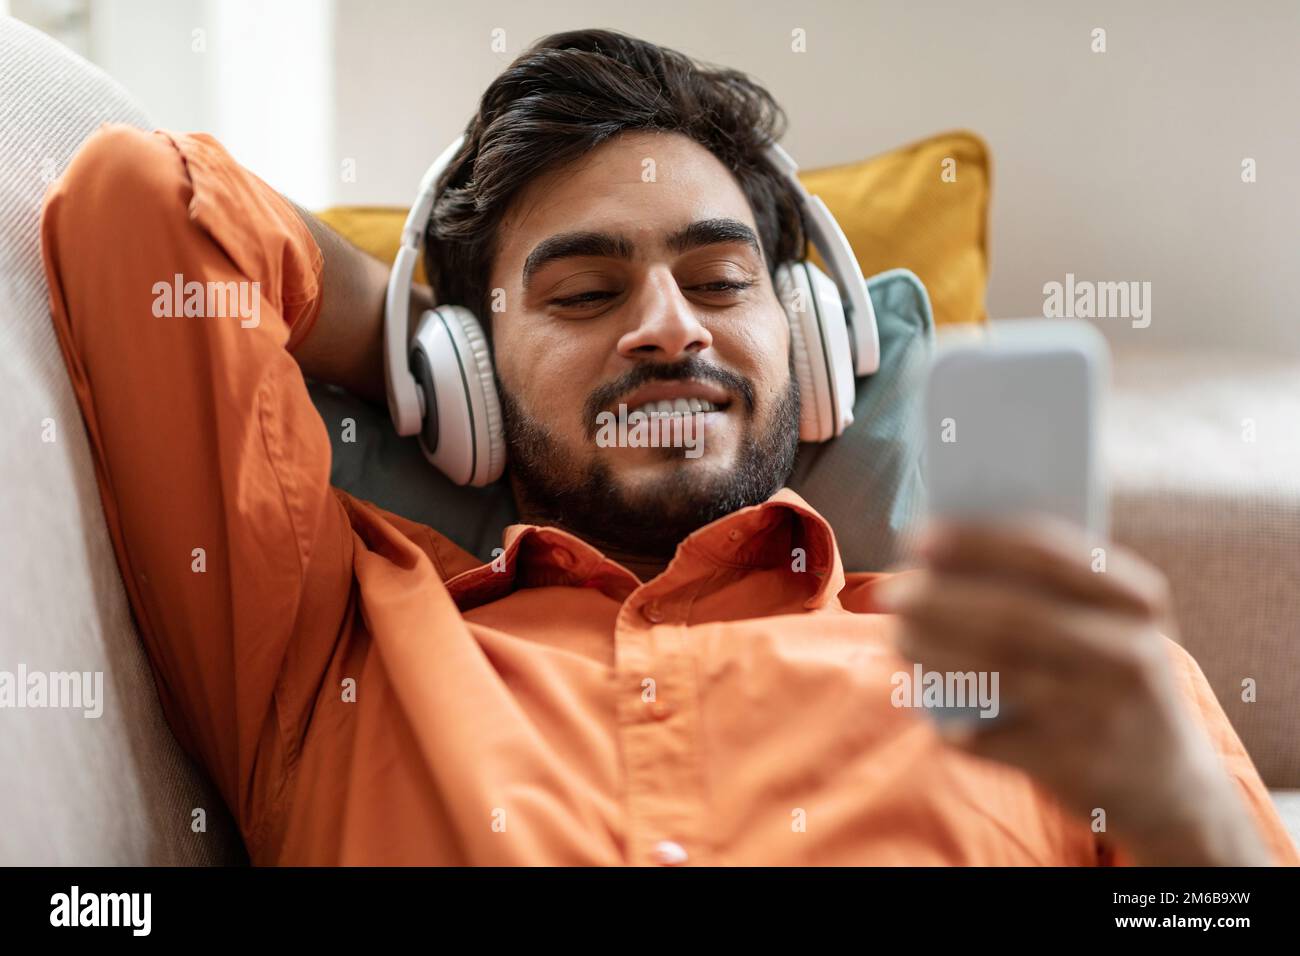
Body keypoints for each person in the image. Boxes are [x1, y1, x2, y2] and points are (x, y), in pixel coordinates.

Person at [39, 28, 1297, 866]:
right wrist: (406, 338)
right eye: (583, 294)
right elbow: (135, 206)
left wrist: (1178, 800)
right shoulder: (332, 646)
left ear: (808, 337)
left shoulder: (1048, 678)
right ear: (470, 374)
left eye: (719, 277)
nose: (664, 328)